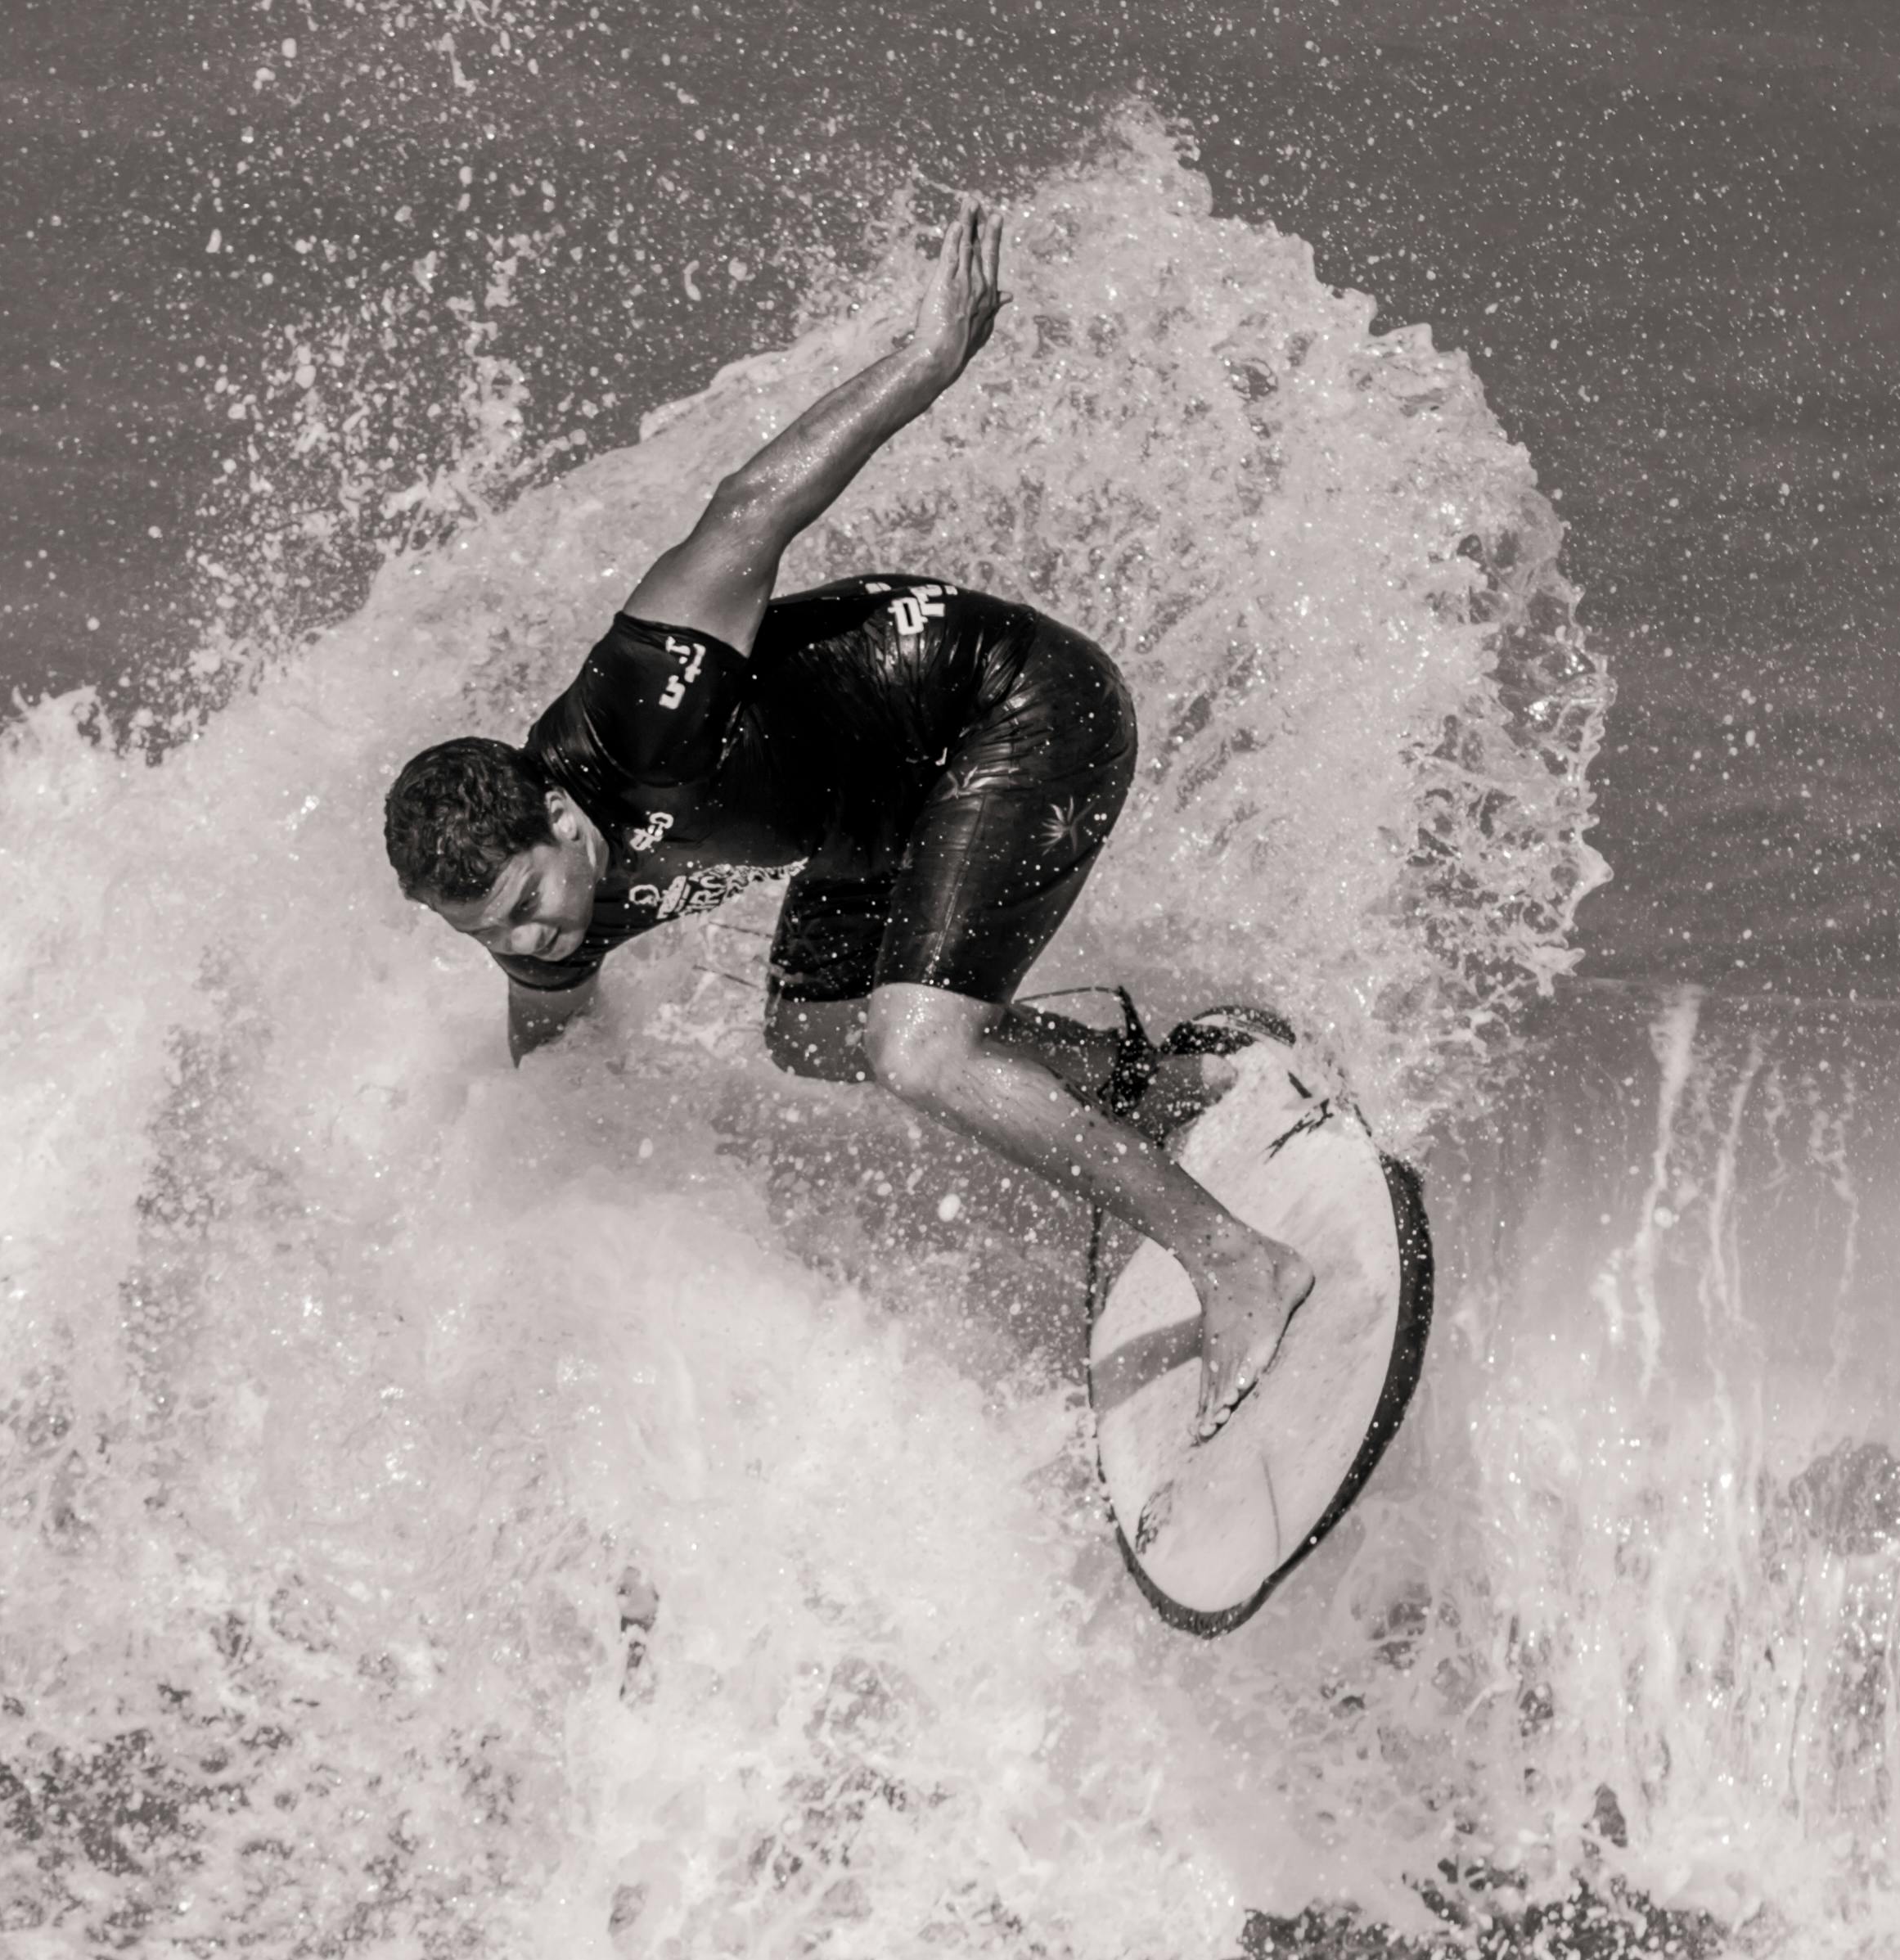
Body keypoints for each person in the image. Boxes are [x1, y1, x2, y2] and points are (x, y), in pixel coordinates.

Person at [380, 204, 1316, 1434]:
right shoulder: (537, 930)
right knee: (813, 1036)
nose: (535, 940)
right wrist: (543, 1239)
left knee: (915, 1048)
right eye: (487, 934)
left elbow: (748, 509)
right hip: (875, 816)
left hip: (1015, 710)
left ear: (557, 813)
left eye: (528, 901)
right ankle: (1164, 1081)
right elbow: (557, 1077)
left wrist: (929, 360)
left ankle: (1239, 1261)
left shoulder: (639, 707)